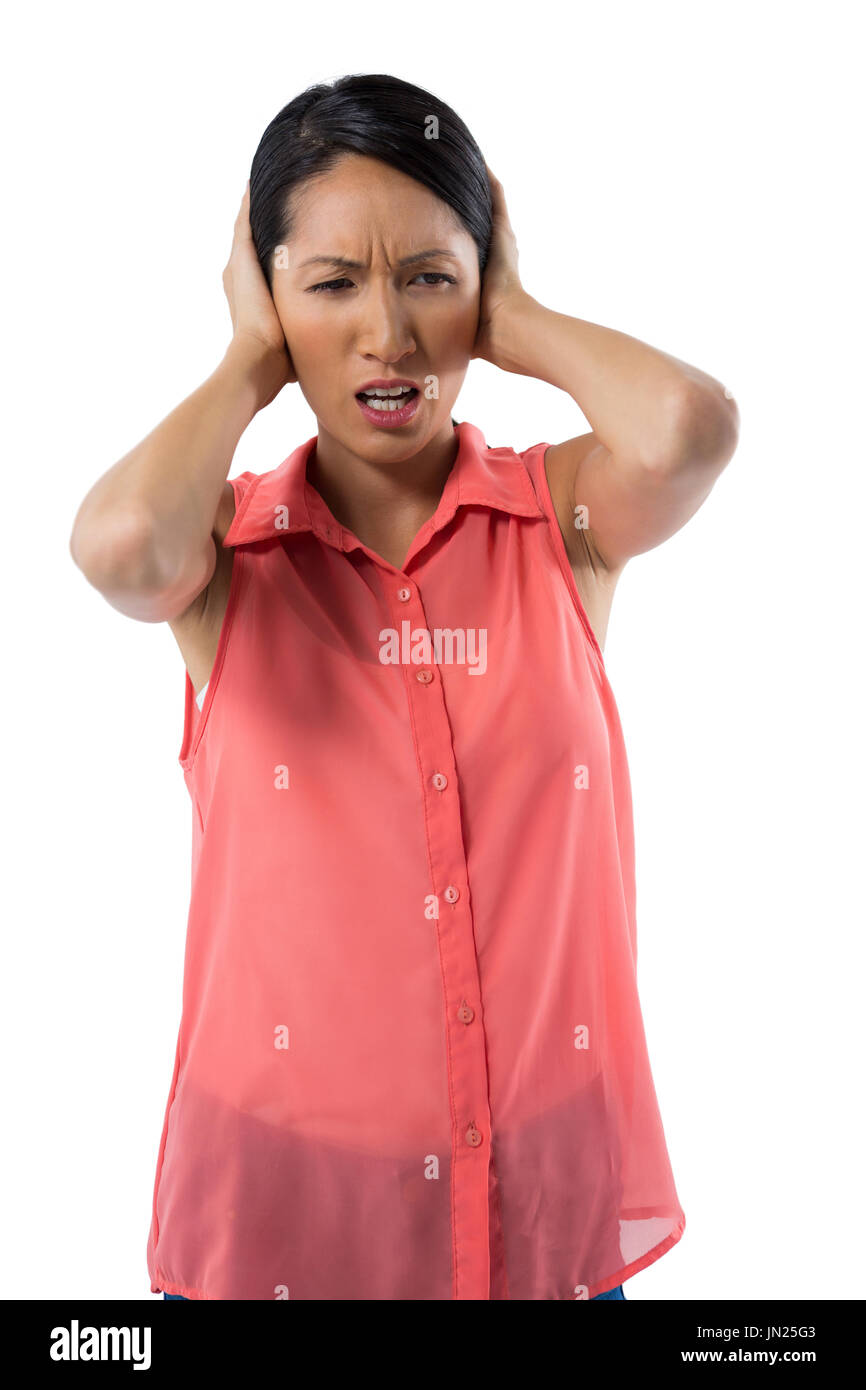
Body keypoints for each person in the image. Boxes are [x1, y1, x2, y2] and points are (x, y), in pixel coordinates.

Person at [70, 73, 739, 1302]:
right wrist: (245, 363)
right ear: (271, 298)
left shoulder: (562, 521)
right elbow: (117, 547)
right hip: (279, 1220)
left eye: (429, 277)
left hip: (534, 1223)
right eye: (331, 284)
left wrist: (517, 310)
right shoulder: (228, 557)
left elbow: (686, 427)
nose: (387, 333)